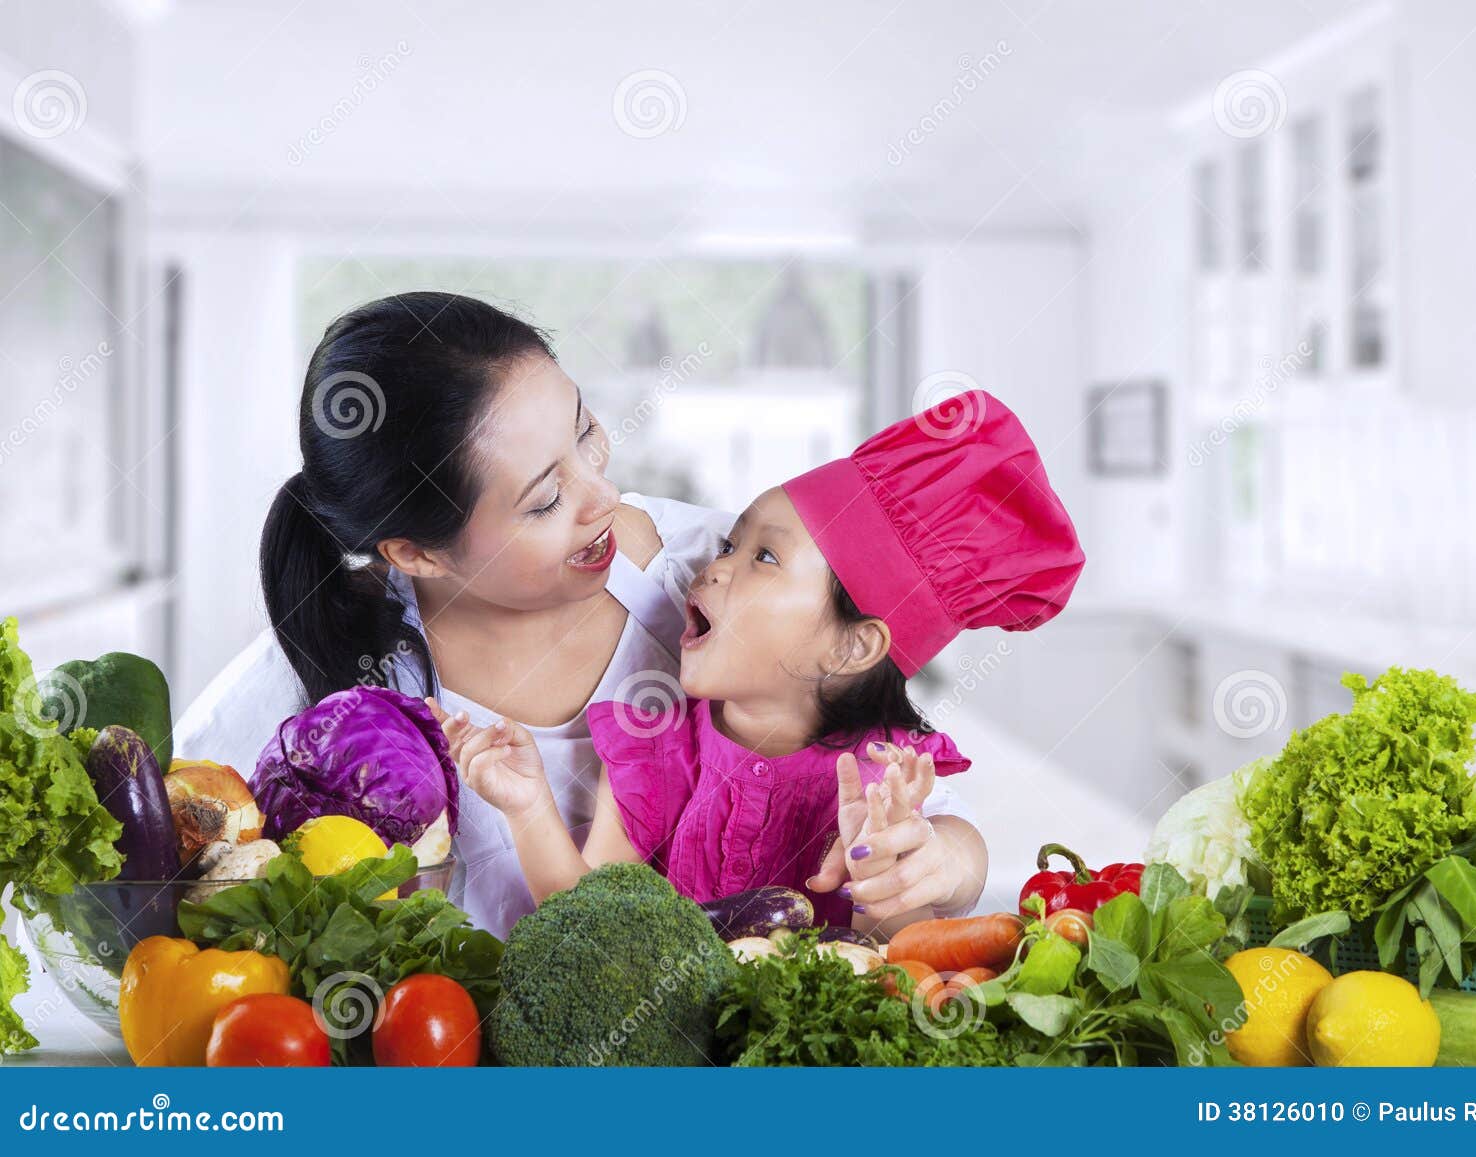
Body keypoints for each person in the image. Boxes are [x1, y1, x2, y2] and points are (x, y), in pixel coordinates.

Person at [174, 292, 989, 938]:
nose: (605, 499)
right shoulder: (329, 673)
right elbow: (162, 862)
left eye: (585, 433)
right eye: (546, 498)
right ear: (416, 553)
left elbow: (932, 816)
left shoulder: (712, 577)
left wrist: (937, 866)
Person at [447, 392, 1085, 934]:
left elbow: (909, 919)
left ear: (852, 647)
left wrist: (921, 862)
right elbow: (587, 922)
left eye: (764, 558)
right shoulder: (656, 744)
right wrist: (528, 806)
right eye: (731, 542)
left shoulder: (879, 782)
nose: (714, 565)